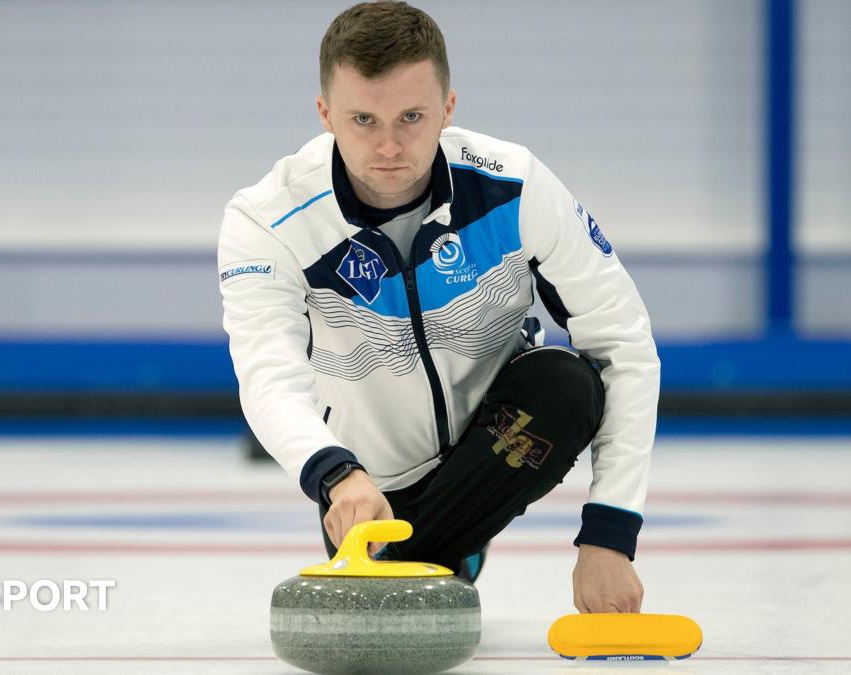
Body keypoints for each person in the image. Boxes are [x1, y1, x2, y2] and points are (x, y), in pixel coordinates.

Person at [218, 1, 658, 614]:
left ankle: (425, 556)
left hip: (497, 441)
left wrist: (610, 535)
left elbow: (624, 342)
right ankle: (446, 552)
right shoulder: (266, 220)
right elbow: (267, 373)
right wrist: (334, 473)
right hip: (366, 488)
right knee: (382, 532)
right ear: (325, 114)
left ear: (448, 108)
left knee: (567, 383)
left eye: (412, 117)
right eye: (363, 119)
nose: (389, 145)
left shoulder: (514, 186)